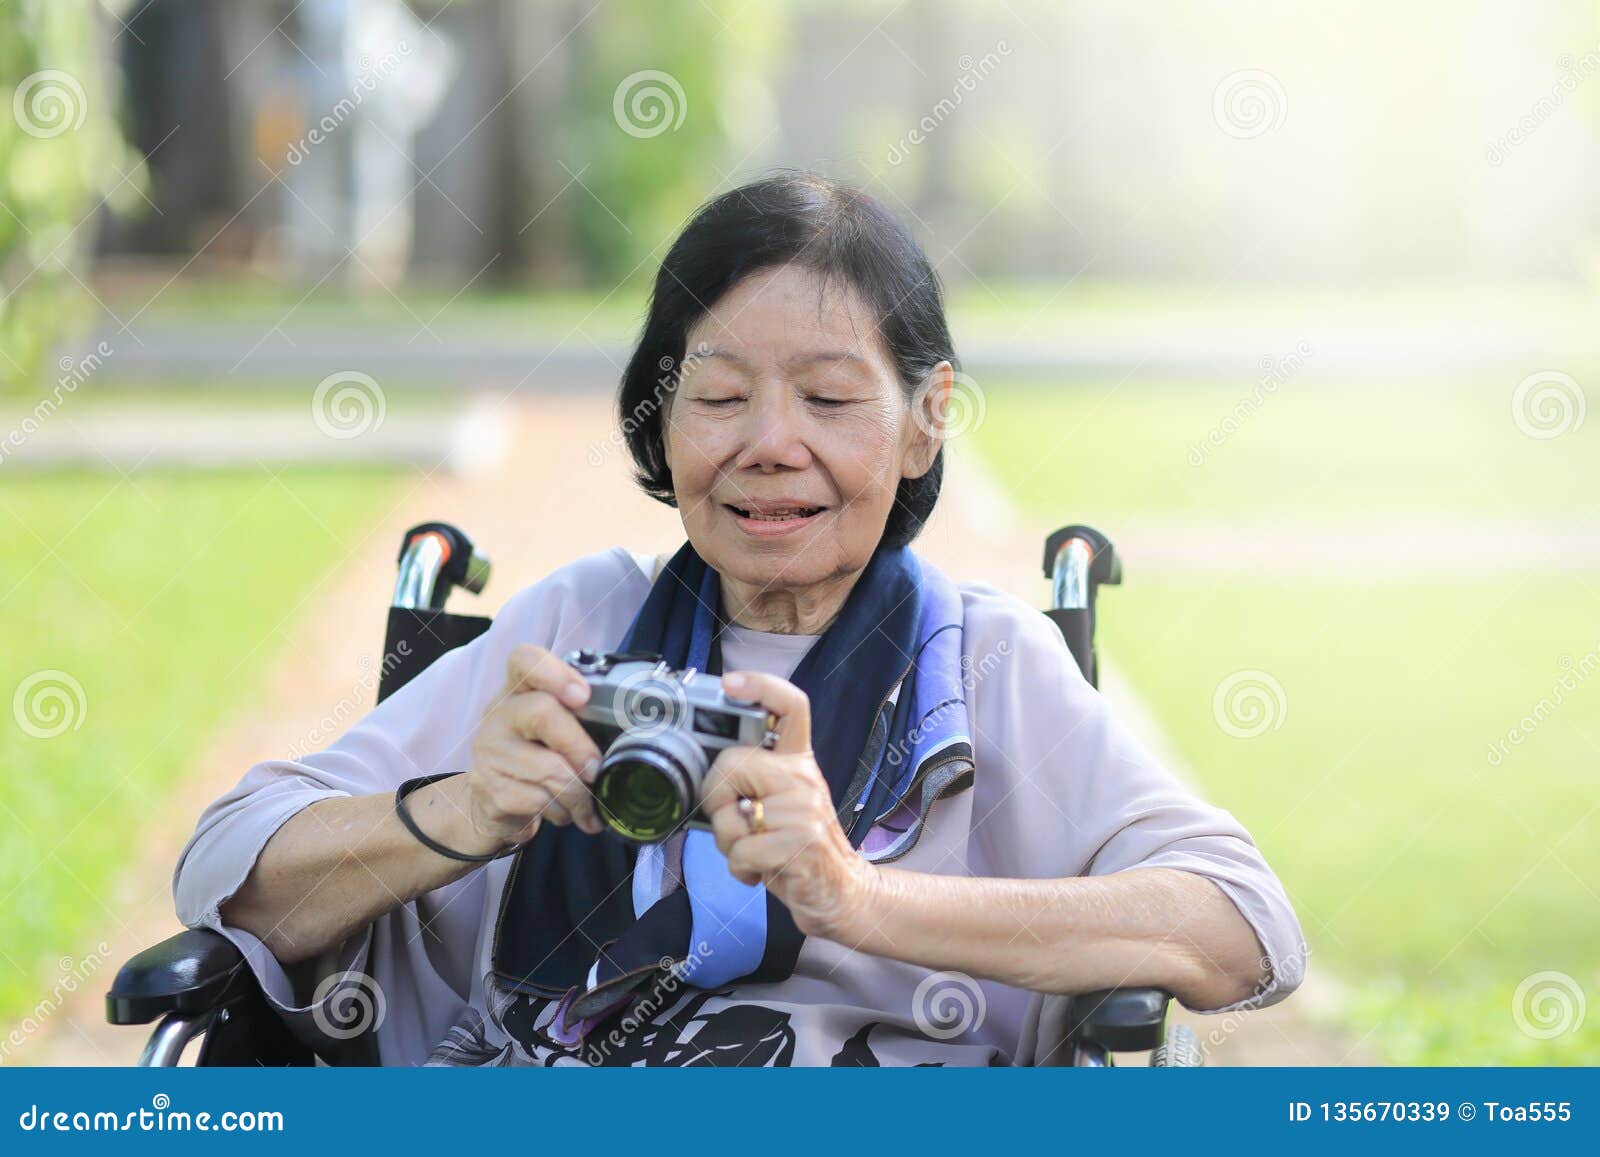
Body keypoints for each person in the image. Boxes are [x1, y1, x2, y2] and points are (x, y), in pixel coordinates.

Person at [173, 172, 1306, 1066]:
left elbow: (1242, 925)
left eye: (827, 397)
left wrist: (862, 898)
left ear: (925, 419)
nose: (768, 443)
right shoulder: (577, 623)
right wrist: (460, 810)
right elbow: (229, 864)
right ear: (662, 420)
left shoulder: (990, 661)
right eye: (717, 396)